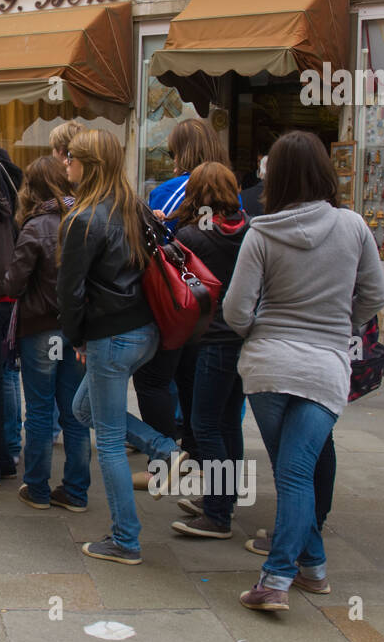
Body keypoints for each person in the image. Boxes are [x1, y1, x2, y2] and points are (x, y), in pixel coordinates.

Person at [223, 130, 384, 612]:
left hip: (268, 367)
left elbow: (235, 311)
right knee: (298, 471)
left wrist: (260, 329)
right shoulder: (354, 226)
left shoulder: (260, 232)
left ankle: (280, 579)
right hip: (324, 368)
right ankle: (309, 570)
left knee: (292, 471)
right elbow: (375, 296)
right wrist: (342, 325)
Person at [59, 129, 184, 565]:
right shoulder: (135, 209)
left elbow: (69, 292)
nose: (65, 164)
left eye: (71, 157)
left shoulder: (83, 218)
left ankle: (125, 540)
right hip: (145, 332)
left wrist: (77, 339)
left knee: (108, 442)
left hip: (111, 337)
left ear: (89, 165)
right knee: (83, 410)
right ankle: (168, 451)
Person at [131, 117, 230, 482]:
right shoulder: (228, 189)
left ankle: (167, 458)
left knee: (153, 379)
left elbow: (153, 245)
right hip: (215, 308)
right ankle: (199, 459)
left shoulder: (173, 190)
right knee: (193, 382)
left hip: (177, 301)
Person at [168, 162, 252, 539]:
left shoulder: (191, 235)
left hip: (211, 337)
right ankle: (225, 499)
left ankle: (217, 513)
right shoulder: (249, 229)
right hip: (242, 337)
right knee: (229, 422)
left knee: (203, 424)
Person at [5, 154, 88, 511]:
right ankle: (77, 492)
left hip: (42, 329)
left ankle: (37, 488)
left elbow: (14, 283)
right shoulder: (86, 220)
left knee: (39, 411)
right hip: (79, 331)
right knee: (75, 412)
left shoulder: (35, 226)